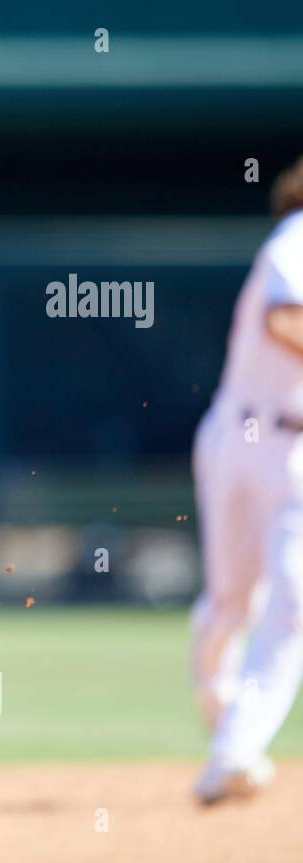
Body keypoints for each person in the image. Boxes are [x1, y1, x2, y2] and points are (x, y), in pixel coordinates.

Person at [190, 154, 303, 804]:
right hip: (240, 436)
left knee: (291, 604)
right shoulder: (296, 236)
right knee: (230, 601)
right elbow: (284, 318)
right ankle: (224, 717)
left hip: (293, 451)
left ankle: (236, 748)